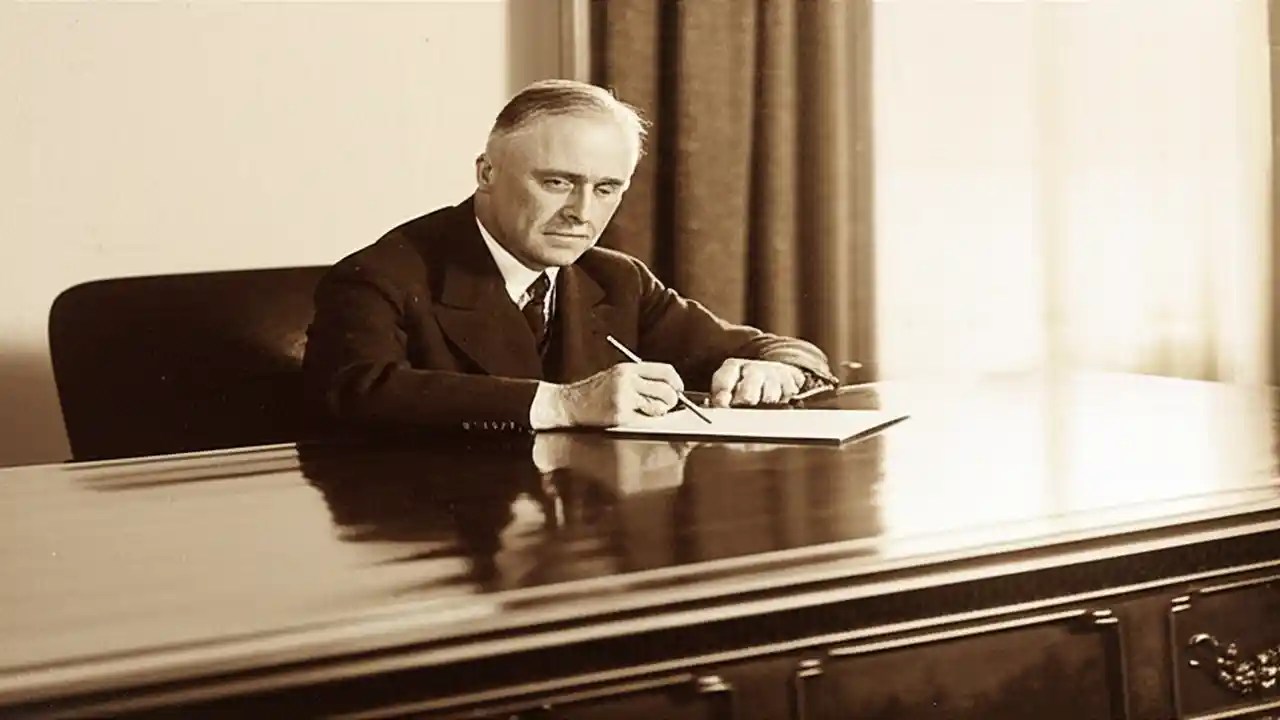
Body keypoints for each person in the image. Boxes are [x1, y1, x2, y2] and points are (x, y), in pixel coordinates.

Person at [303, 79, 837, 434]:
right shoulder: (380, 276)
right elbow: (355, 393)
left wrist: (777, 370)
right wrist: (564, 404)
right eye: (557, 182)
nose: (581, 213)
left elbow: (778, 348)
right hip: (433, 550)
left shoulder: (615, 278)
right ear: (487, 173)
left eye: (607, 189)